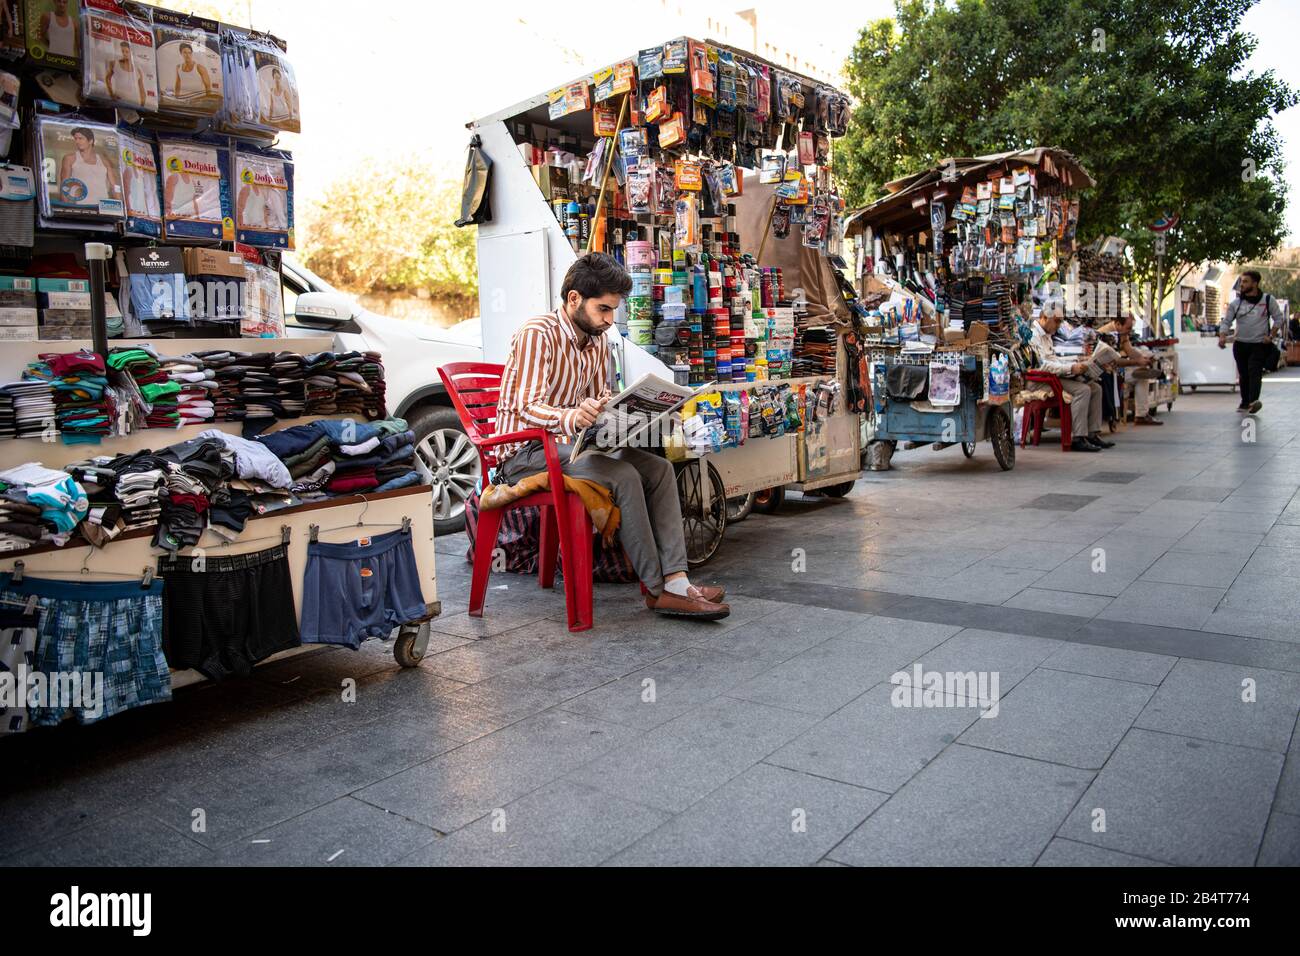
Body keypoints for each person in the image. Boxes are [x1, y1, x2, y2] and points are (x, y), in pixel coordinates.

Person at [496, 252, 730, 620]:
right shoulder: (537, 334)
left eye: (613, 312)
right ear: (574, 299)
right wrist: (573, 416)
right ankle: (657, 590)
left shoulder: (598, 341)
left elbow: (598, 400)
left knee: (658, 469)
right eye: (603, 310)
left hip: (572, 447)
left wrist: (616, 412)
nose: (609, 320)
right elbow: (526, 406)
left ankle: (678, 579)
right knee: (623, 474)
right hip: (524, 452)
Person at [1030, 305, 1114, 452]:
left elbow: (1053, 359)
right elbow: (1042, 365)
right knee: (1083, 390)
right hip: (1041, 381)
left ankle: (1092, 433)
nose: (1058, 325)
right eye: (1056, 321)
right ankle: (1078, 438)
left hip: (1053, 376)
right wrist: (1070, 368)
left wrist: (1077, 363)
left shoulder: (1047, 335)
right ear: (1044, 317)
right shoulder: (1033, 335)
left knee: (1096, 389)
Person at [1219, 269, 1284, 414]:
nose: (1242, 284)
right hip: (1240, 344)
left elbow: (1279, 318)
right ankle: (1244, 402)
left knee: (1254, 371)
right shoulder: (1236, 303)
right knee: (1244, 374)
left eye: (1246, 281)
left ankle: (1254, 401)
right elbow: (1227, 321)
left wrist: (1271, 335)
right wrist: (1222, 335)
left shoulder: (1267, 300)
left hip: (1259, 344)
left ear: (1255, 283)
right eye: (1241, 281)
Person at [1098, 311, 1163, 425]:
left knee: (1142, 374)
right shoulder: (1106, 334)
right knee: (1141, 375)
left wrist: (1143, 358)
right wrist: (1136, 362)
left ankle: (1141, 415)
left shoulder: (1122, 332)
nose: (1130, 331)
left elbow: (1129, 350)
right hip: (1107, 373)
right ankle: (1141, 414)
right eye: (1128, 328)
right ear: (1118, 324)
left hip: (1116, 370)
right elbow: (1115, 361)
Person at [58, 127, 119, 207]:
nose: (77, 141)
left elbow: (115, 186)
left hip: (102, 209)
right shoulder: (70, 159)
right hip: (81, 208)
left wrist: (120, 208)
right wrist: (65, 210)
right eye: (75, 139)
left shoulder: (104, 161)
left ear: (90, 141)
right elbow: (65, 186)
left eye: (80, 138)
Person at [106, 39, 145, 107]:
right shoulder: (114, 63)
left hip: (134, 102)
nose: (124, 53)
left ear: (131, 52)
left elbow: (142, 90)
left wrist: (142, 106)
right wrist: (111, 94)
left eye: (126, 51)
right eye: (122, 51)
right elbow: (107, 79)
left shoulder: (138, 70)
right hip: (118, 100)